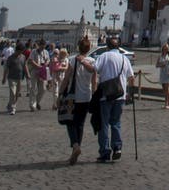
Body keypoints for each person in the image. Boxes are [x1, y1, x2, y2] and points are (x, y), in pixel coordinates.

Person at [90, 35, 135, 163]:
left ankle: (105, 151)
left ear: (107, 46)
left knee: (104, 124)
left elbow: (95, 69)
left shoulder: (104, 56)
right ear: (118, 46)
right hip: (120, 95)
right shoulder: (124, 58)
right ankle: (117, 147)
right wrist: (131, 93)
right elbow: (131, 77)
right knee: (116, 123)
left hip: (106, 95)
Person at [59, 36, 97, 165]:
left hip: (73, 97)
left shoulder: (71, 60)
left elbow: (66, 79)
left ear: (78, 47)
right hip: (86, 97)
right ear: (89, 48)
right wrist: (94, 95)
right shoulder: (92, 61)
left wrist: (59, 94)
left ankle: (75, 146)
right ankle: (76, 151)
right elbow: (94, 81)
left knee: (70, 122)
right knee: (80, 124)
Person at [2, 43, 25, 114]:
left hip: (19, 78)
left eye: (21, 52)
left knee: (17, 94)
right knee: (13, 93)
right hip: (11, 78)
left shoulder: (23, 57)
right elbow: (6, 69)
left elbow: (24, 65)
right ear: (16, 50)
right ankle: (13, 108)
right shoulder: (10, 58)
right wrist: (4, 78)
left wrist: (28, 75)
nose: (20, 53)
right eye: (19, 52)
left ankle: (10, 105)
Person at [27, 38, 50, 111]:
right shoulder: (34, 51)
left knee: (43, 89)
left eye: (44, 46)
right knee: (33, 88)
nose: (43, 48)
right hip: (35, 71)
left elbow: (48, 60)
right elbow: (31, 60)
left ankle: (37, 101)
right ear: (39, 45)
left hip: (43, 71)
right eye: (41, 46)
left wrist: (46, 64)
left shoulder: (46, 52)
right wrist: (38, 66)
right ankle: (32, 105)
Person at [156, 42, 169, 109]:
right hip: (162, 74)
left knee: (168, 89)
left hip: (168, 74)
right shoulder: (160, 56)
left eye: (167, 48)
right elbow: (156, 65)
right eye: (165, 48)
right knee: (164, 89)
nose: (166, 50)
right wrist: (161, 65)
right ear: (163, 49)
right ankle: (165, 103)